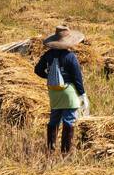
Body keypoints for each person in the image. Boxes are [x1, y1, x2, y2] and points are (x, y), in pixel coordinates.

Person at [34, 26, 89, 154]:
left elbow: (37, 70)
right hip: (68, 92)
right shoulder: (70, 57)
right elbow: (77, 78)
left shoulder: (47, 55)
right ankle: (65, 152)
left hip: (53, 91)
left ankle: (51, 149)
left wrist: (50, 76)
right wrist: (82, 95)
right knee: (68, 120)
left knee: (54, 119)